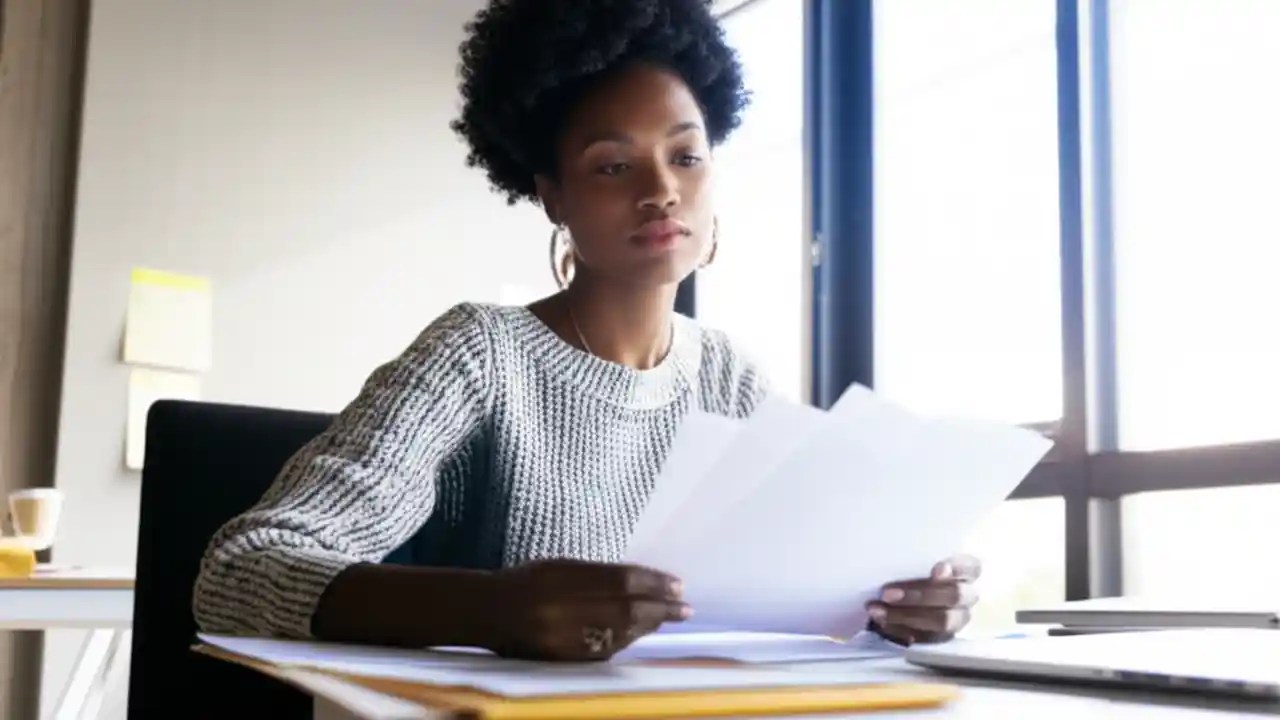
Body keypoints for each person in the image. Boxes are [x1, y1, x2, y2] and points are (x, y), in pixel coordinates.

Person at [193, 0, 979, 661]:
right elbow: (239, 570)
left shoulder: (731, 379)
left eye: (687, 156)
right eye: (612, 165)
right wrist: (492, 611)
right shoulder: (481, 355)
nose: (662, 190)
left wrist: (894, 607)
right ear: (552, 198)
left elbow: (794, 598)